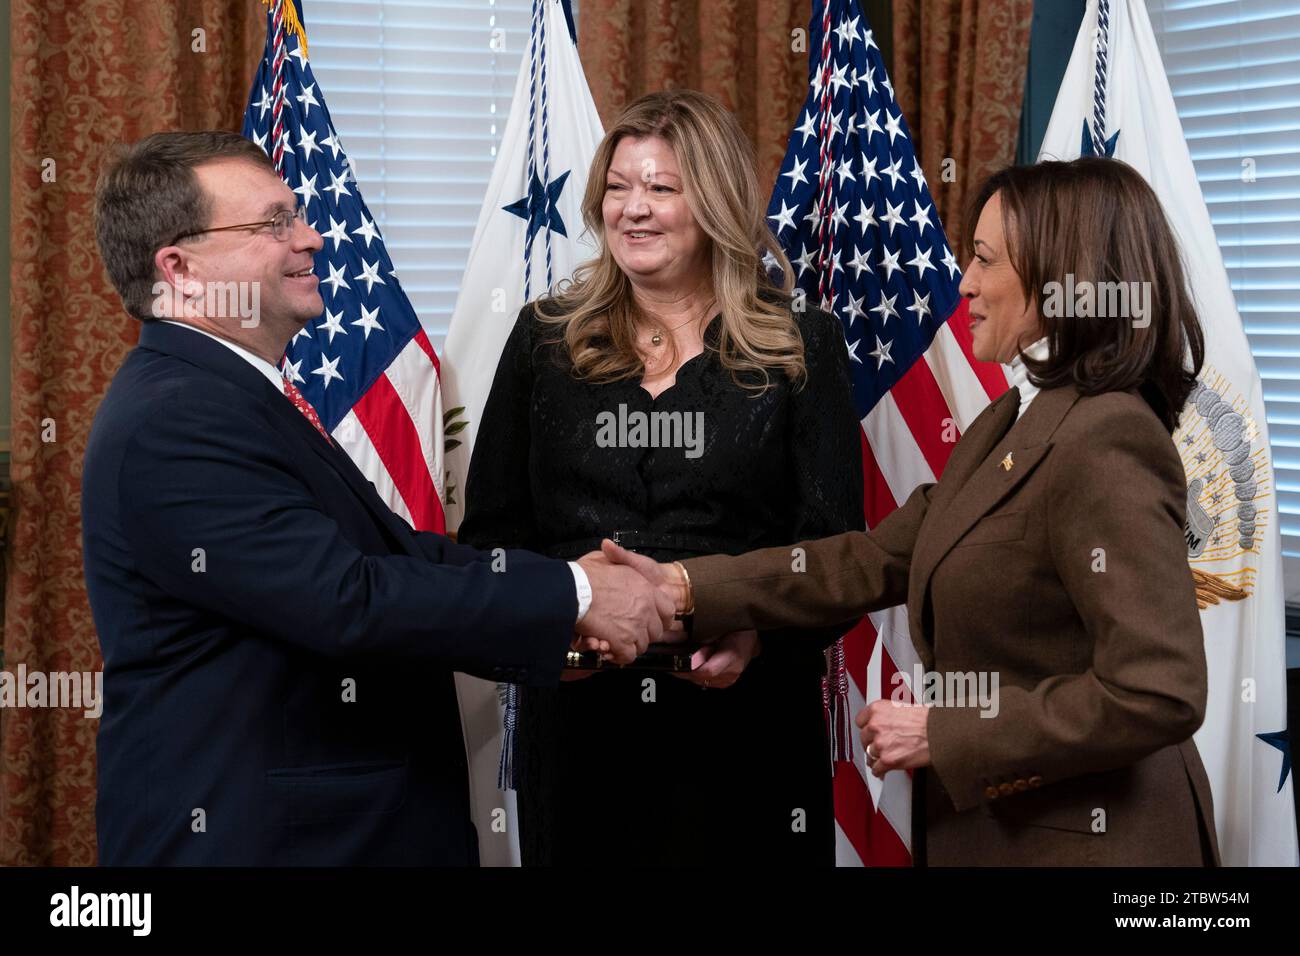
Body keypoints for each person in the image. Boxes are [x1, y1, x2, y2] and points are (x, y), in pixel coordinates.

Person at [602, 157, 1222, 866]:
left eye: (986, 260)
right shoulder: (1013, 422)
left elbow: (1158, 690)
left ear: (1060, 282)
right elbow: (869, 559)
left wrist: (948, 733)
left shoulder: (1107, 434)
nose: (966, 284)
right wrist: (680, 588)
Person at [84, 130, 673, 865]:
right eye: (273, 223)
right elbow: (348, 601)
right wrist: (576, 593)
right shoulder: (178, 417)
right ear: (181, 268)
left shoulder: (232, 392)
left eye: (296, 214)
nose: (312, 236)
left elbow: (397, 555)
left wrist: (565, 596)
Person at [459, 91, 863, 866]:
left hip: (746, 730)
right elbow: (493, 538)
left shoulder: (799, 345)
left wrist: (752, 632)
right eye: (617, 188)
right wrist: (555, 628)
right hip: (579, 730)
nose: (632, 210)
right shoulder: (545, 341)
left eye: (660, 188)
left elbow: (833, 553)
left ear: (712, 202)